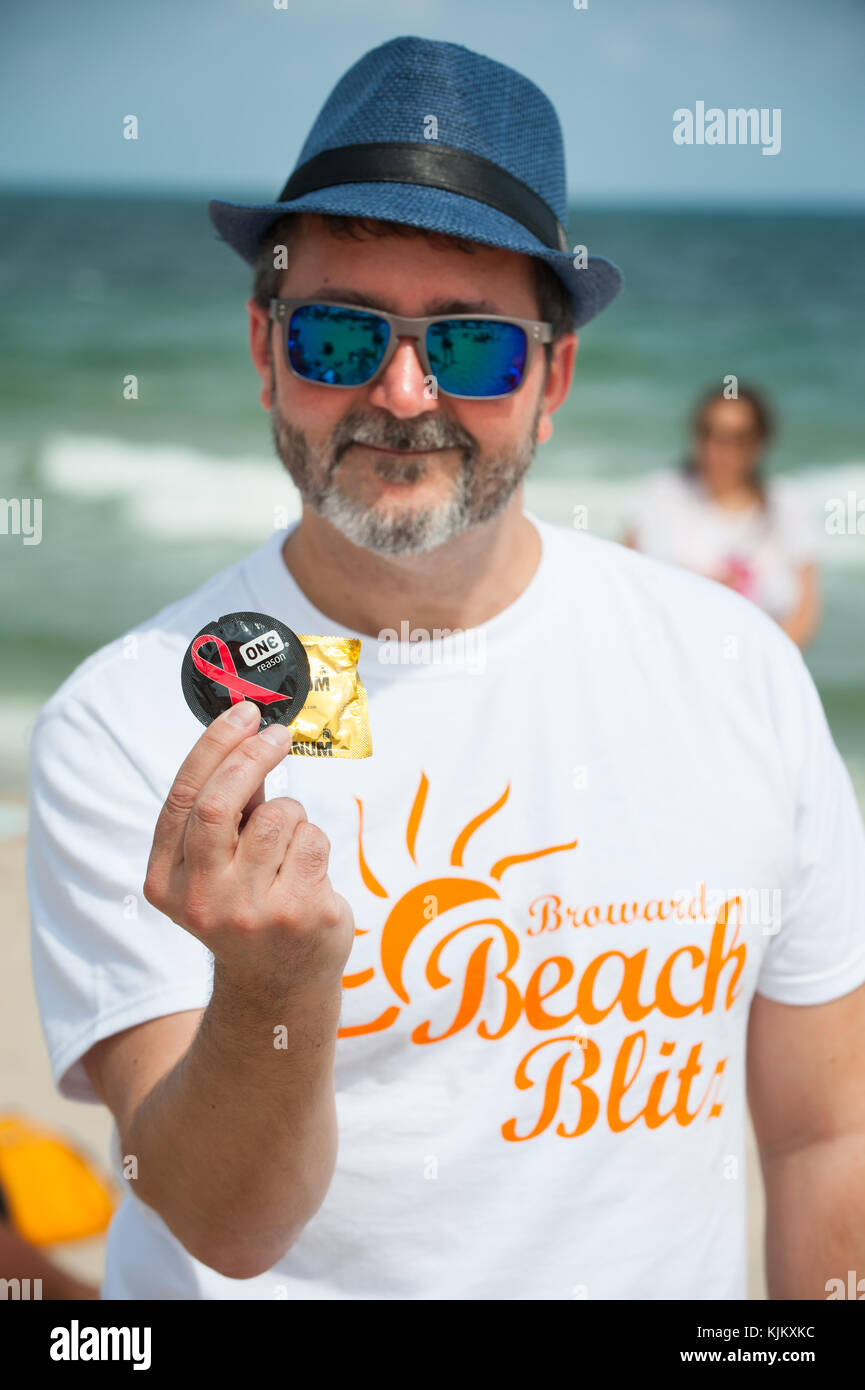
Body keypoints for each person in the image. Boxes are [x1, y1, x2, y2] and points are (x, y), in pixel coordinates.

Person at [26, 37, 865, 1301]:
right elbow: (214, 1222)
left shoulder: (736, 671)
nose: (403, 392)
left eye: (471, 346)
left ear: (552, 379)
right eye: (337, 335)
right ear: (264, 351)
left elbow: (824, 1137)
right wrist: (276, 989)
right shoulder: (132, 715)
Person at [623, 386, 821, 648]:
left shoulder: (786, 503)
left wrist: (761, 663)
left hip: (759, 671)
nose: (718, 448)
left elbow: (805, 614)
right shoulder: (661, 494)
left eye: (735, 437)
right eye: (708, 433)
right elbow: (626, 586)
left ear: (760, 442)